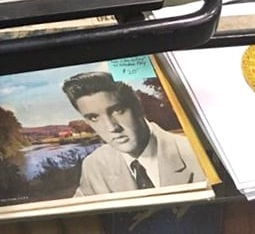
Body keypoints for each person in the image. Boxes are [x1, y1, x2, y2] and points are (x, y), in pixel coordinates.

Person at [62, 71, 205, 196]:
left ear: (138, 106)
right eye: (93, 118)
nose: (112, 127)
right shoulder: (94, 165)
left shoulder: (195, 154)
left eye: (117, 110)